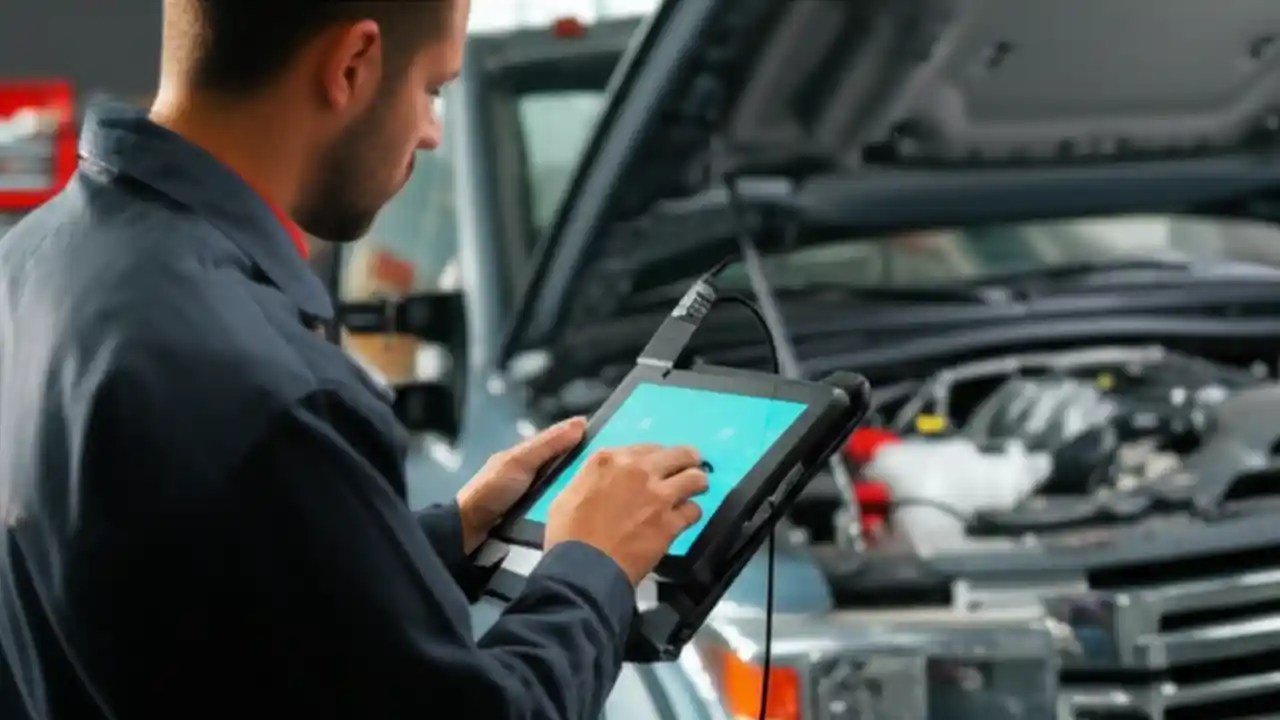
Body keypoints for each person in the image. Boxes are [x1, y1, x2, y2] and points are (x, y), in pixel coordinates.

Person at [0, 1, 709, 718]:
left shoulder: (30, 263)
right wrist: (594, 566)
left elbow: (188, 600)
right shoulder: (275, 391)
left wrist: (446, 533)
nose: (432, 131)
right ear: (351, 66)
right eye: (432, 89)